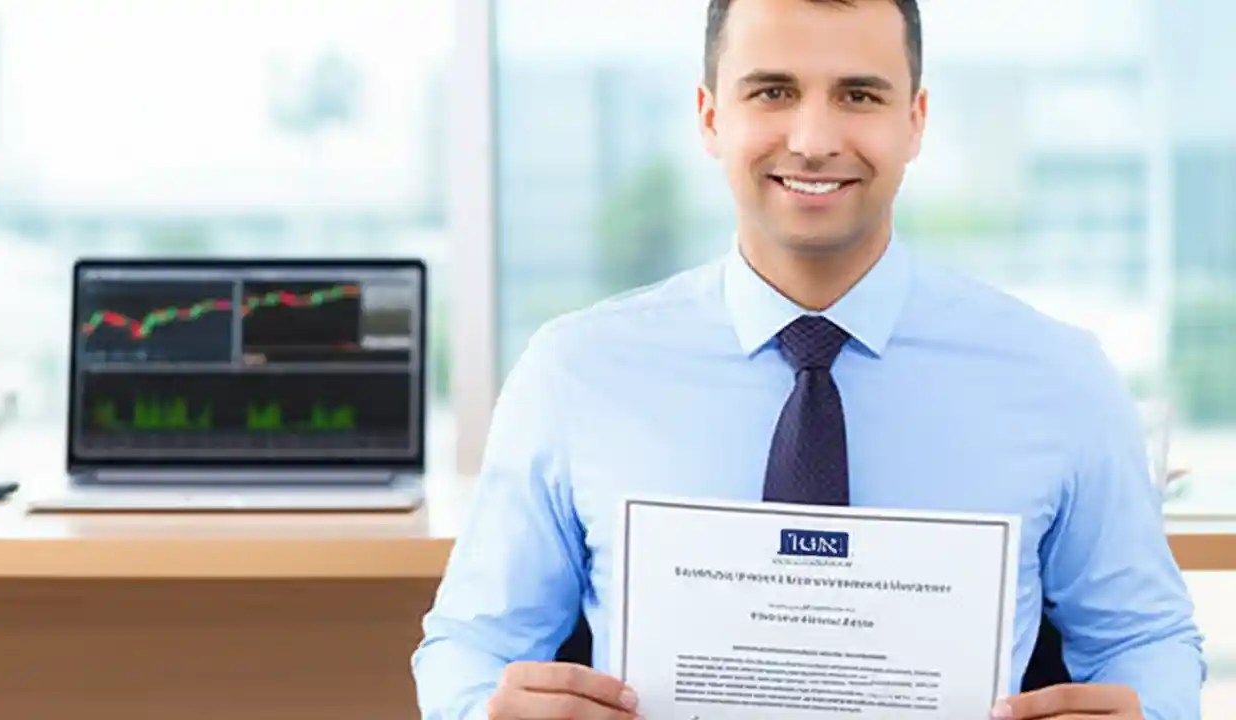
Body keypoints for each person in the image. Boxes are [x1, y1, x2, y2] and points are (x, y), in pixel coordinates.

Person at [412, 0, 1206, 717]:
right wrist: (485, 712)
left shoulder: (1060, 377)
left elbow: (1148, 640)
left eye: (859, 95)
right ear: (710, 117)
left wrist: (1149, 713)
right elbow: (468, 645)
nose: (815, 141)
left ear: (915, 121)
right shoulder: (575, 373)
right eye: (772, 92)